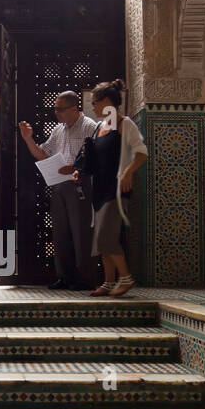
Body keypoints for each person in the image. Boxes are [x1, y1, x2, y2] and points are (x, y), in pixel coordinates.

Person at [71, 79, 148, 298]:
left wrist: (127, 172)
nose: (93, 107)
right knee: (102, 239)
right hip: (99, 190)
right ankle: (108, 282)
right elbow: (93, 158)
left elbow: (141, 152)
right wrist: (79, 170)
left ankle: (125, 279)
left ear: (107, 102)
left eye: (95, 102)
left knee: (106, 236)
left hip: (116, 190)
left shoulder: (124, 124)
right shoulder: (100, 128)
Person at [18, 90, 99, 289]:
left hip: (80, 184)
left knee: (80, 233)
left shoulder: (90, 127)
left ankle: (84, 278)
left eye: (60, 109)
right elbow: (43, 155)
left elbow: (95, 157)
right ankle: (65, 276)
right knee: (61, 233)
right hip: (59, 185)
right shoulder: (58, 130)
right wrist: (28, 138)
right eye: (55, 109)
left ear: (74, 109)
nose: (56, 113)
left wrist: (74, 167)